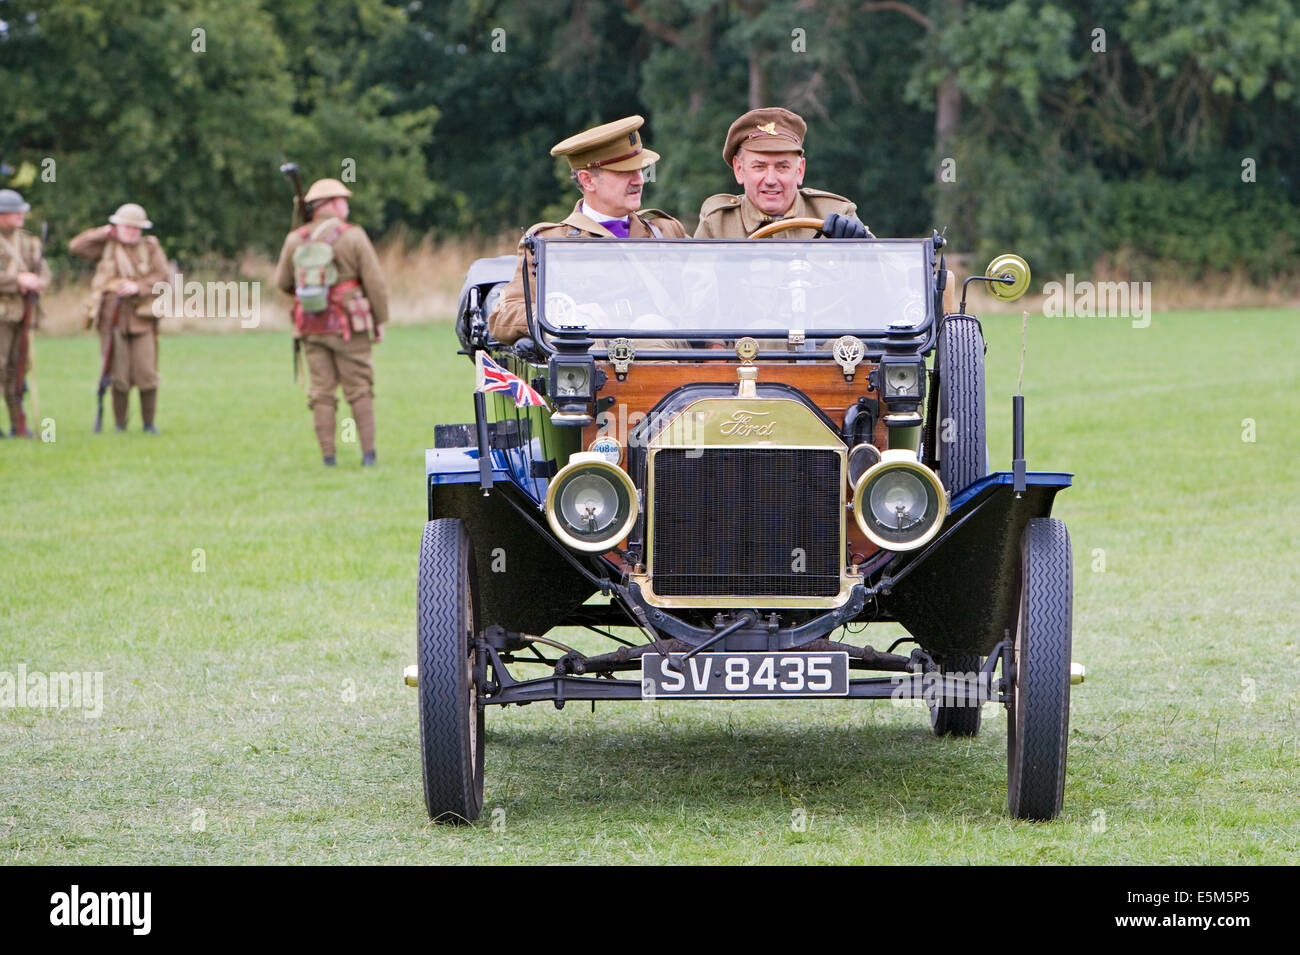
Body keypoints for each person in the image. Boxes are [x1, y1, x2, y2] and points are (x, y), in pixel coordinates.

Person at [490, 115, 688, 346]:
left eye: (640, 170)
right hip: (592, 372)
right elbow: (503, 317)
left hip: (672, 369)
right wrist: (559, 317)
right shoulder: (550, 243)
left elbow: (707, 298)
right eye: (625, 172)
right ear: (588, 180)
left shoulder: (665, 231)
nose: (639, 180)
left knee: (652, 326)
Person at [273, 178, 388, 466]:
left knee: (321, 393)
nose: (346, 205)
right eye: (343, 200)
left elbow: (283, 282)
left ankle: (328, 458)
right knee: (360, 387)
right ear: (332, 204)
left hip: (310, 324)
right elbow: (375, 283)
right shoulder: (353, 236)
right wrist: (379, 319)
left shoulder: (295, 238)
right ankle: (369, 456)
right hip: (349, 324)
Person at [69, 203, 171, 433]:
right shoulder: (106, 245)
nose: (131, 232)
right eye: (126, 227)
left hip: (142, 319)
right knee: (118, 376)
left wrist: (138, 287)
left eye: (136, 228)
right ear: (117, 226)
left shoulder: (151, 248)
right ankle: (119, 425)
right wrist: (104, 232)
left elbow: (163, 277)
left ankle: (148, 424)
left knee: (147, 374)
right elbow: (76, 246)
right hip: (110, 319)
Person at [695, 107, 867, 240]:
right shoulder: (718, 223)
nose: (770, 180)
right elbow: (695, 285)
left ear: (800, 171)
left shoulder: (837, 214)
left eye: (782, 167)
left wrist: (863, 248)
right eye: (759, 166)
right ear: (739, 170)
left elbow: (887, 279)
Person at [0, 188, 51, 437]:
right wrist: (17, 280)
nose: (21, 215)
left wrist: (38, 282)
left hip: (21, 313)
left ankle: (17, 425)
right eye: (14, 211)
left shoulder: (29, 242)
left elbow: (44, 272)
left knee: (18, 369)